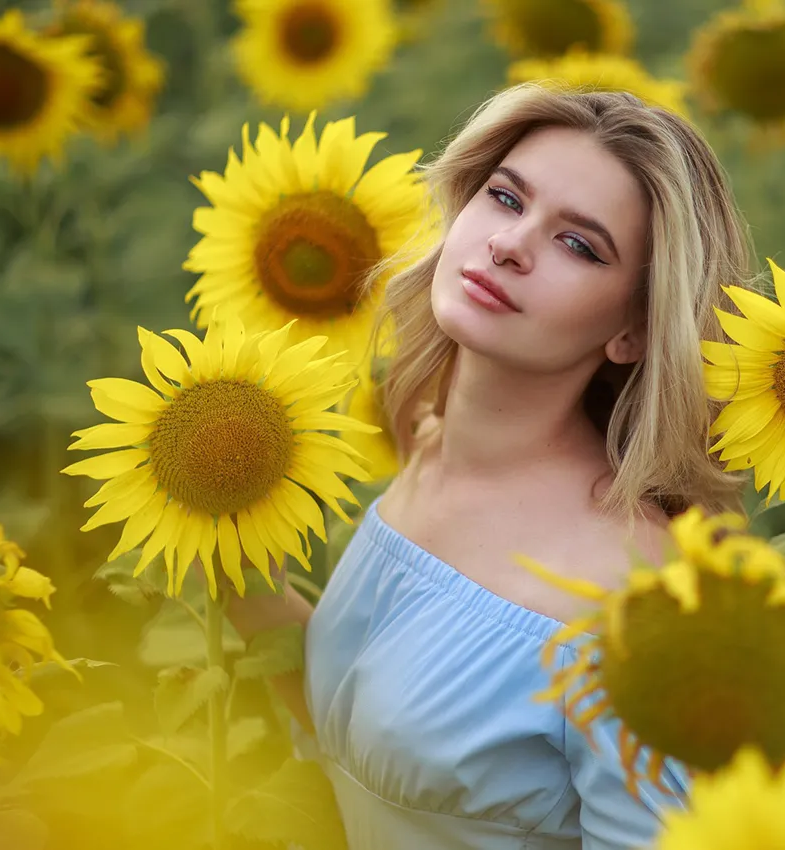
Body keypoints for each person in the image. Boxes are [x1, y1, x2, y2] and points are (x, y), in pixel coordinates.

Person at [228, 83, 753, 849]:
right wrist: (235, 579)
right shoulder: (426, 437)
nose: (510, 244)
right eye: (506, 198)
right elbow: (380, 740)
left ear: (634, 330)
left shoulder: (633, 601)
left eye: (579, 244)